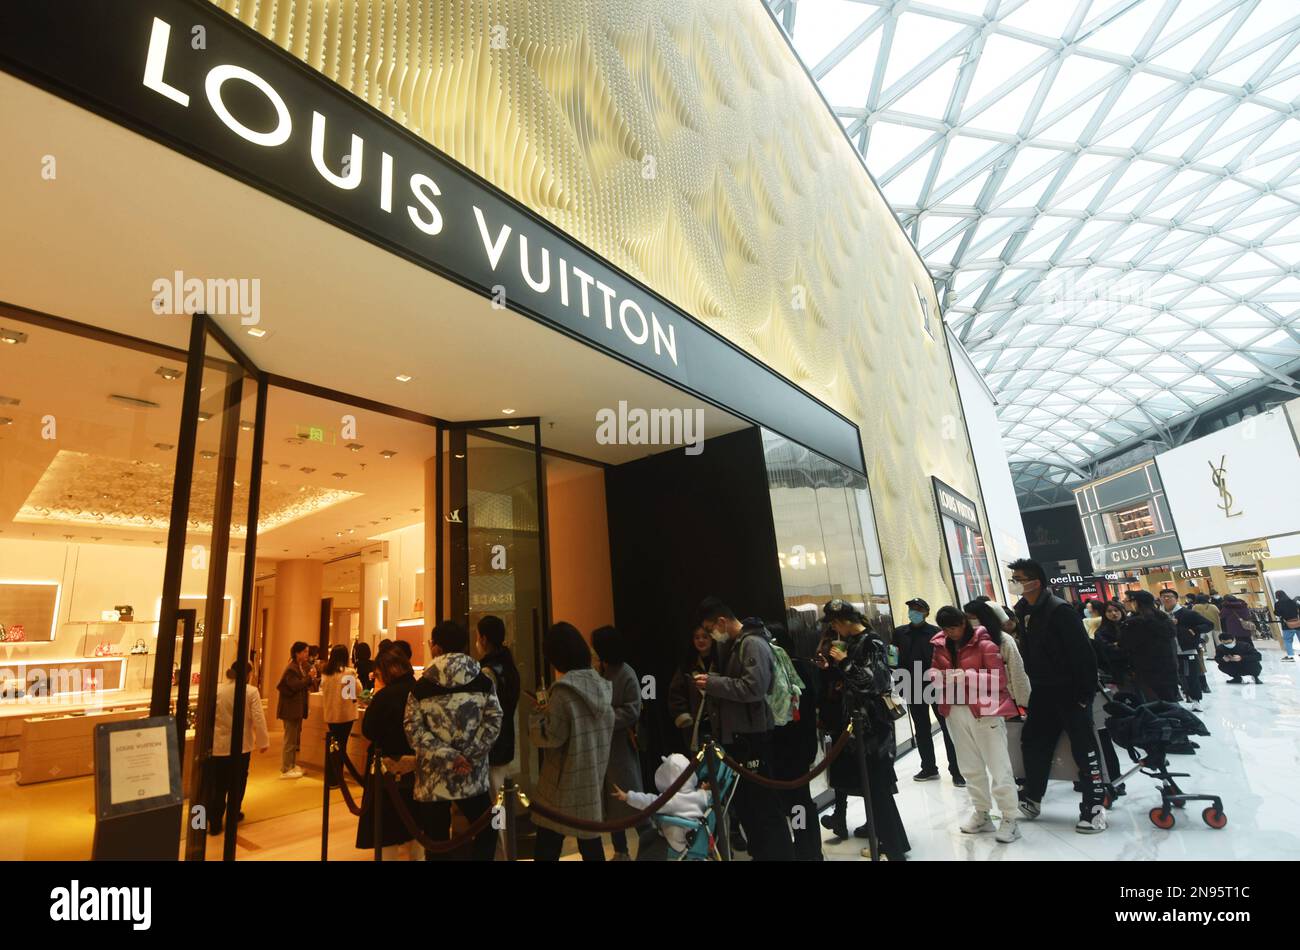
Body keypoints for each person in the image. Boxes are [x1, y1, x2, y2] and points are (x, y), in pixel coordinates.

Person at [1008, 558, 1106, 834]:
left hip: (1071, 690)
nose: (1014, 583)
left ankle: (1094, 807)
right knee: (1033, 740)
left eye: (1019, 578)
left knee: (1083, 748)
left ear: (1035, 582)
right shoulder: (1025, 611)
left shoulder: (1058, 610)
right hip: (1043, 689)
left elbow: (1084, 654)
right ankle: (1033, 796)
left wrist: (1084, 694)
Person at [695, 597, 795, 861]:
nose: (710, 635)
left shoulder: (751, 643)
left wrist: (713, 684)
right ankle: (762, 854)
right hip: (739, 737)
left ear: (721, 621)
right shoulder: (738, 644)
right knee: (750, 807)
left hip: (752, 737)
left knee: (764, 806)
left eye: (709, 629)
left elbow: (753, 688)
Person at [815, 599, 910, 860]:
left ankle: (892, 847)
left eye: (835, 624)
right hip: (858, 727)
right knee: (876, 791)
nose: (835, 629)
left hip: (874, 729)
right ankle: (894, 843)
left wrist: (845, 662)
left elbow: (876, 682)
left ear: (843, 621)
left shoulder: (872, 642)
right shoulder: (855, 642)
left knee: (878, 790)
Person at [404, 620, 503, 861]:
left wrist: (449, 756)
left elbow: (413, 730)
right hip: (472, 774)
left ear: (435, 647)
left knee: (436, 841)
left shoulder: (422, 686)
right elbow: (493, 721)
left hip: (433, 779)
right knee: (486, 830)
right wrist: (468, 755)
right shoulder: (483, 680)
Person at [928, 606, 1021, 843]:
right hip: (954, 710)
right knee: (969, 767)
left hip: (986, 711)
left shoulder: (985, 643)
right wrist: (936, 677)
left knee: (999, 766)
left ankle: (1010, 817)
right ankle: (982, 813)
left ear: (964, 622)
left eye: (954, 627)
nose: (951, 632)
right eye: (946, 628)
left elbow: (1000, 679)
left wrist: (966, 676)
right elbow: (935, 672)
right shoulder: (940, 645)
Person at [529, 622, 614, 861]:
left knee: (546, 845)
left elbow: (550, 737)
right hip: (591, 779)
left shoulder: (564, 693)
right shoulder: (602, 687)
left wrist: (537, 716)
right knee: (590, 842)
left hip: (561, 784)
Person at [891, 597, 964, 786]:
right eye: (911, 609)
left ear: (926, 613)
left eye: (917, 609)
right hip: (912, 685)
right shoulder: (900, 633)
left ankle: (957, 770)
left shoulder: (937, 633)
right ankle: (929, 768)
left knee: (947, 728)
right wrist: (899, 684)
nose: (913, 612)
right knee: (921, 728)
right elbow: (894, 658)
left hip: (935, 685)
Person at [356, 647, 419, 859]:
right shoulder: (421, 690)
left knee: (386, 826)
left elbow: (369, 729)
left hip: (387, 769)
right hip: (419, 769)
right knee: (417, 821)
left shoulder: (385, 696)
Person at [591, 625, 644, 861]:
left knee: (631, 799)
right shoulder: (602, 670)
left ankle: (650, 844)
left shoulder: (626, 673)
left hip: (620, 747)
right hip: (603, 748)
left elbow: (633, 710)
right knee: (612, 806)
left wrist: (606, 717)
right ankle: (620, 851)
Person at [770, 623, 822, 861]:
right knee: (797, 801)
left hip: (791, 748)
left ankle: (806, 848)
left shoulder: (794, 668)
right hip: (798, 746)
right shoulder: (802, 666)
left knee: (797, 802)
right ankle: (806, 846)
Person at [209, 660, 269, 836]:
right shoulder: (250, 692)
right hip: (241, 745)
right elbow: (258, 717)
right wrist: (263, 741)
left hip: (219, 745)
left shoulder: (219, 690)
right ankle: (233, 814)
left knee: (219, 784)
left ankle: (214, 820)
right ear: (248, 674)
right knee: (238, 781)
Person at [613, 753, 710, 858]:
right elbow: (711, 796)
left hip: (677, 842)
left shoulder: (671, 799)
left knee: (648, 847)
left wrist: (628, 797)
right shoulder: (701, 795)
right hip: (695, 838)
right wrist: (708, 788)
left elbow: (648, 801)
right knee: (647, 836)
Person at [475, 615, 521, 800]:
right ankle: (503, 828)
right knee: (501, 795)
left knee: (496, 801)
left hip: (493, 745)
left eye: (478, 636)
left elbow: (485, 711)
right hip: (507, 739)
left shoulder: (488, 671)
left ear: (484, 639)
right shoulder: (509, 664)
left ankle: (500, 829)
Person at [964, 600, 1031, 711]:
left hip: (1006, 694)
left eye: (972, 617)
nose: (970, 621)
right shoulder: (966, 640)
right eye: (967, 617)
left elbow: (1016, 670)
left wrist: (1023, 700)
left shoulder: (1004, 640)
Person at [1120, 591, 1181, 702]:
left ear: (1136, 602)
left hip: (1146, 672)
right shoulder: (1163, 618)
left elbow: (1125, 646)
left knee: (1156, 706)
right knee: (1170, 703)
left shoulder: (1133, 623)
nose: (1123, 602)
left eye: (1126, 600)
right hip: (1168, 669)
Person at [1159, 588, 1212, 710]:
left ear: (1176, 599)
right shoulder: (1158, 616)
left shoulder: (1187, 613)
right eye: (1163, 596)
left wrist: (1194, 630)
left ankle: (1196, 699)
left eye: (1169, 596)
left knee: (1191, 676)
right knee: (1170, 677)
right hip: (1166, 652)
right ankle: (1174, 700)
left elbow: (1208, 624)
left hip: (1186, 650)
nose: (1166, 599)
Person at [668, 627, 717, 752]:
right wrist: (685, 718)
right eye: (697, 637)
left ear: (712, 638)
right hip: (697, 726)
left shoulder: (722, 662)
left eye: (705, 637)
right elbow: (676, 693)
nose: (701, 640)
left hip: (721, 724)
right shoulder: (687, 665)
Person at [321, 645, 359, 784]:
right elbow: (355, 691)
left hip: (331, 715)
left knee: (334, 746)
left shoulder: (326, 673)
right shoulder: (348, 673)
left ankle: (331, 777)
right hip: (345, 715)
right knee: (341, 746)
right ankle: (337, 778)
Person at [275, 641, 312, 779]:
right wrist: (309, 678)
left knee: (293, 739)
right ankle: (286, 768)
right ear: (297, 653)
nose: (307, 654)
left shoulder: (300, 667)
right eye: (305, 652)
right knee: (289, 740)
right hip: (290, 709)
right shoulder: (292, 668)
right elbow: (296, 686)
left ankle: (291, 765)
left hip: (295, 708)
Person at [1092, 600, 1131, 689]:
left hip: (1138, 666)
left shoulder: (1130, 624)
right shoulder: (1101, 632)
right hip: (1119, 669)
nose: (1113, 613)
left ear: (1121, 611)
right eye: (1109, 611)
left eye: (1116, 610)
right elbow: (1107, 648)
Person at [1276, 590, 1300, 661]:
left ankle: (1290, 656)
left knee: (1287, 640)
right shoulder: (1292, 602)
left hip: (1287, 625)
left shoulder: (1278, 604)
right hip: (1298, 623)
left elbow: (1277, 613)